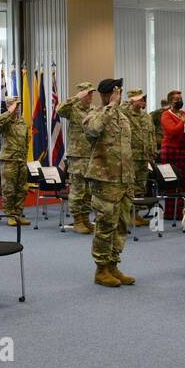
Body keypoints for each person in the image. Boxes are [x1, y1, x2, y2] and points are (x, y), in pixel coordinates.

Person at [83, 78, 136, 288]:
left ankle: (113, 264)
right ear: (105, 94)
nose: (119, 95)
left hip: (124, 180)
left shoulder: (123, 118)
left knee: (121, 225)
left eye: (120, 92)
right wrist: (111, 106)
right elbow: (94, 130)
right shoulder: (94, 115)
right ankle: (101, 269)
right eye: (115, 92)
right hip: (105, 180)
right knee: (105, 225)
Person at [56, 81, 96, 234]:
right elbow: (59, 110)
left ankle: (85, 218)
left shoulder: (93, 109)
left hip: (91, 155)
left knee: (88, 190)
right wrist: (75, 98)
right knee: (78, 189)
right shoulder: (72, 109)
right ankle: (77, 219)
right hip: (77, 156)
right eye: (88, 93)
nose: (91, 96)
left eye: (92, 93)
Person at [0, 95, 31, 227]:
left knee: (22, 188)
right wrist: (9, 111)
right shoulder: (4, 122)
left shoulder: (22, 122)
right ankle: (9, 215)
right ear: (9, 106)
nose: (18, 109)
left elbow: (26, 141)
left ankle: (18, 215)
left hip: (21, 159)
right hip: (8, 160)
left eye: (19, 106)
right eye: (15, 105)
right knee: (9, 189)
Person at [159, 89, 185, 220]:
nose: (179, 101)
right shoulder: (166, 115)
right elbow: (172, 131)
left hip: (184, 150)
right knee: (173, 181)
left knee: (184, 181)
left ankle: (184, 210)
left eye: (180, 98)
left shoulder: (183, 113)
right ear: (170, 101)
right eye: (176, 99)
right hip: (171, 150)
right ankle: (171, 213)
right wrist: (182, 121)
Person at [124, 89, 153, 226]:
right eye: (140, 98)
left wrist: (152, 151)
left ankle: (136, 214)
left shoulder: (146, 116)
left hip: (144, 156)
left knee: (141, 186)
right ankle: (129, 214)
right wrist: (129, 103)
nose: (143, 101)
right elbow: (117, 108)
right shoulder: (125, 114)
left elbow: (150, 134)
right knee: (130, 186)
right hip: (131, 156)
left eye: (143, 98)